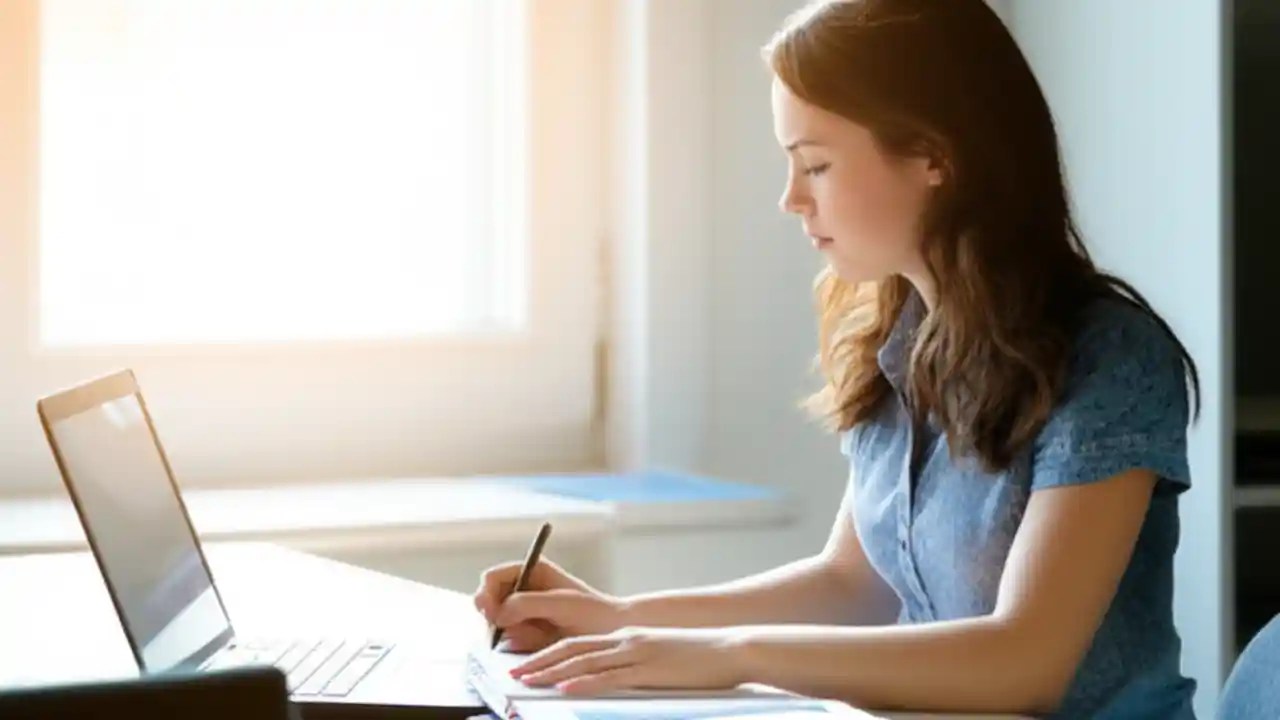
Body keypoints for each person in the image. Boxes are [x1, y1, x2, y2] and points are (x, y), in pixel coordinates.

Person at [473, 1, 1201, 717]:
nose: (791, 198)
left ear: (935, 156)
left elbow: (1024, 665)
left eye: (815, 165)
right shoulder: (902, 344)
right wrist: (617, 618)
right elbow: (852, 585)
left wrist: (734, 655)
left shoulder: (1111, 360)